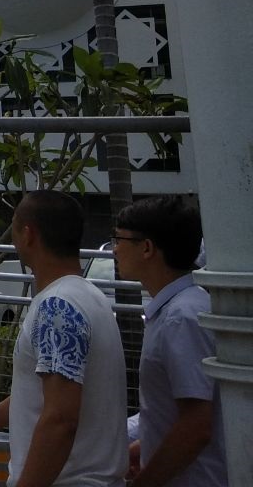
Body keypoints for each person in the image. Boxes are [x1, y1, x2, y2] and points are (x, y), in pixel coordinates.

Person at [0, 190, 128, 487]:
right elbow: (47, 394)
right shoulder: (88, 296)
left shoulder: (57, 308)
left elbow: (60, 419)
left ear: (28, 234)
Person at [114, 196, 226, 487]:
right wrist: (143, 449)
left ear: (147, 248)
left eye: (119, 239)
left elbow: (196, 426)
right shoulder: (180, 309)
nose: (114, 249)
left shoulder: (181, 318)